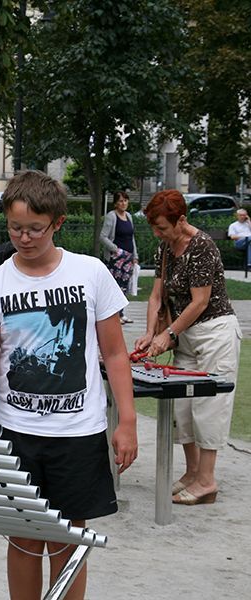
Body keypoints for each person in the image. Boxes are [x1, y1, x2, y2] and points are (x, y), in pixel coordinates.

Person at [0, 170, 137, 600]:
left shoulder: (91, 273)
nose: (24, 238)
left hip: (77, 434)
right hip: (16, 433)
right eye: (15, 228)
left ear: (57, 223)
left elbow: (115, 355)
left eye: (35, 229)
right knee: (23, 539)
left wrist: (128, 422)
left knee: (68, 540)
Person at [134, 189, 241, 506]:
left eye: (162, 227)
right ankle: (192, 473)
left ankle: (207, 481)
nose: (157, 233)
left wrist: (166, 334)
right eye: (154, 227)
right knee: (182, 408)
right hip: (186, 335)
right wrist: (150, 331)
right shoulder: (165, 247)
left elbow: (200, 302)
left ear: (181, 219)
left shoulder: (203, 246)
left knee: (209, 408)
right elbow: (156, 296)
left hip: (214, 333)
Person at [99, 191, 138, 324]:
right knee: (115, 286)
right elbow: (103, 236)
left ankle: (122, 313)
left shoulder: (129, 216)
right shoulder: (111, 216)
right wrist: (115, 250)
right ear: (116, 203)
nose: (123, 203)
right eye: (120, 201)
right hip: (116, 258)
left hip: (128, 257)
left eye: (125, 200)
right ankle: (114, 314)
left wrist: (135, 256)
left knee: (124, 286)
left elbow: (131, 237)